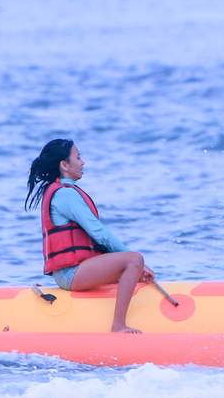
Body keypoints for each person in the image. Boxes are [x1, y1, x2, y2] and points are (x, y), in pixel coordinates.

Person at [26, 139, 155, 334]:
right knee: (134, 260)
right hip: (70, 273)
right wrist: (139, 264)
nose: (83, 162)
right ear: (65, 165)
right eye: (78, 157)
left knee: (133, 272)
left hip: (76, 269)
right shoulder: (65, 195)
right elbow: (99, 233)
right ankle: (118, 325)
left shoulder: (64, 192)